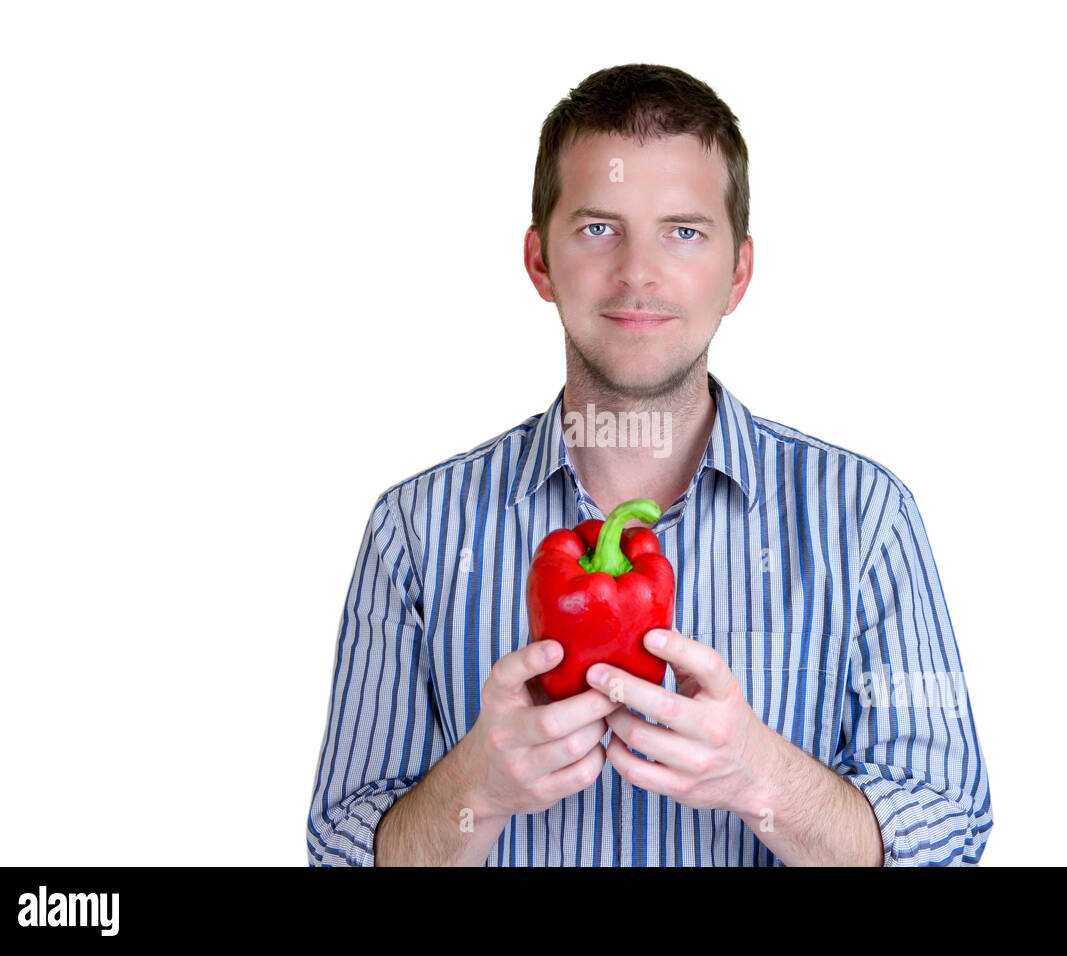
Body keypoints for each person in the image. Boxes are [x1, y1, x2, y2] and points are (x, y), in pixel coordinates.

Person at [306, 63, 993, 866]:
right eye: (599, 228)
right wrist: (476, 790)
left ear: (737, 272)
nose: (638, 273)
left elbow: (949, 833)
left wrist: (759, 778)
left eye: (684, 231)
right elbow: (338, 849)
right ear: (539, 262)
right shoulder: (417, 531)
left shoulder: (862, 516)